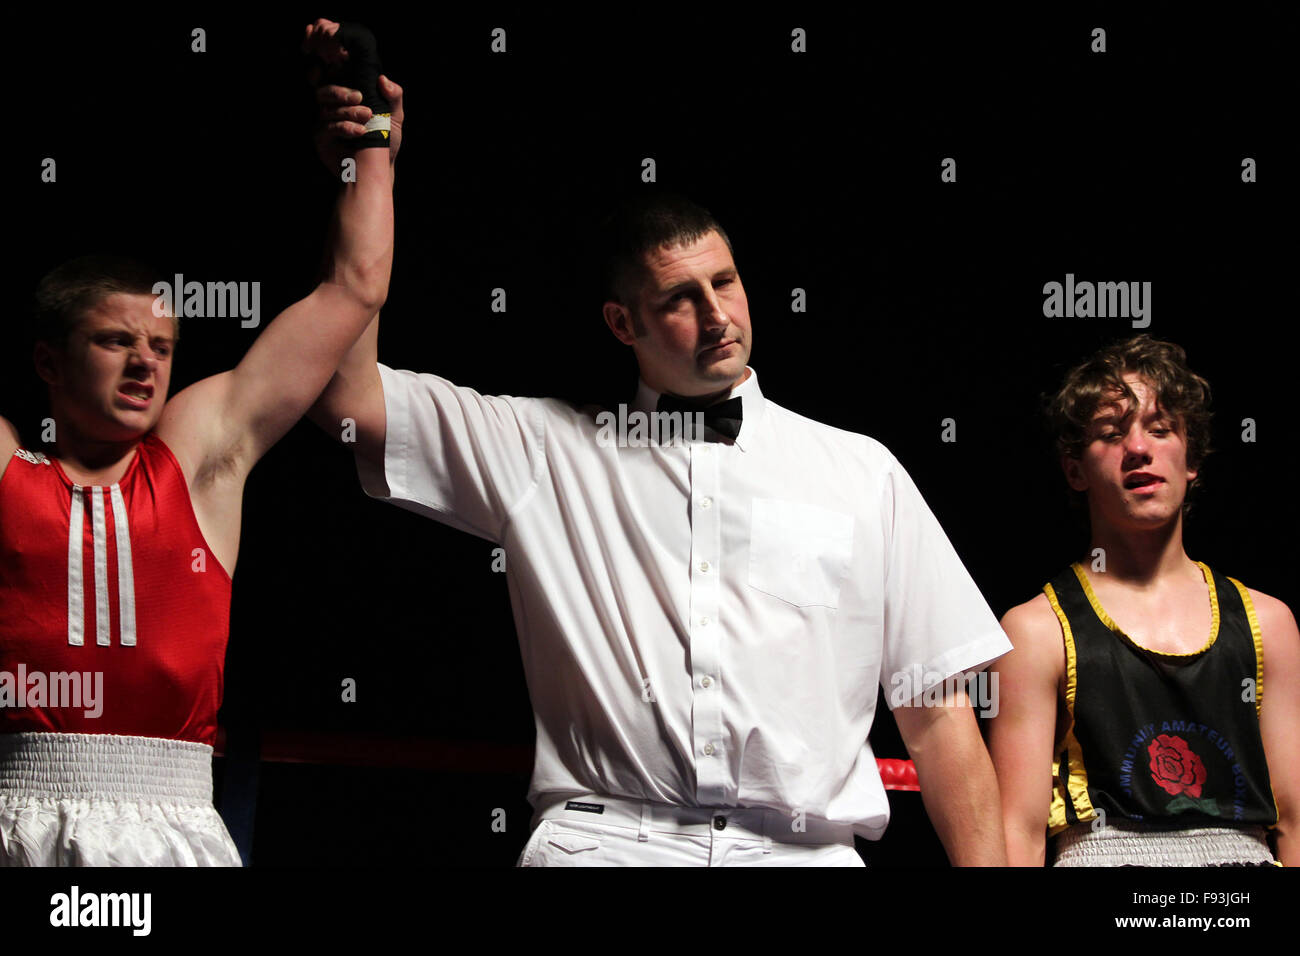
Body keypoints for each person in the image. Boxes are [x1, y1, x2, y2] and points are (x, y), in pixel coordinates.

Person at [309, 190, 1012, 866]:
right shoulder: (541, 448)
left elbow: (939, 713)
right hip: (606, 844)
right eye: (680, 298)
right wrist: (370, 163)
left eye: (725, 283)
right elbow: (345, 392)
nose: (716, 317)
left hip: (805, 855)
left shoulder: (865, 472)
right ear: (623, 324)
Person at [0, 20, 400, 865]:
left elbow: (354, 288)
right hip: (18, 810)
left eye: (162, 347)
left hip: (175, 820)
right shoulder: (7, 473)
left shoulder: (200, 459)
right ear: (48, 360)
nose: (146, 361)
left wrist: (367, 143)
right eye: (116, 342)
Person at [989, 334, 1299, 866]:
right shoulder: (1034, 630)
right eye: (1111, 433)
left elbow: (1293, 820)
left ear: (1192, 459)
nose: (1138, 448)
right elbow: (1016, 832)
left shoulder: (1267, 622)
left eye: (1160, 429)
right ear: (1074, 470)